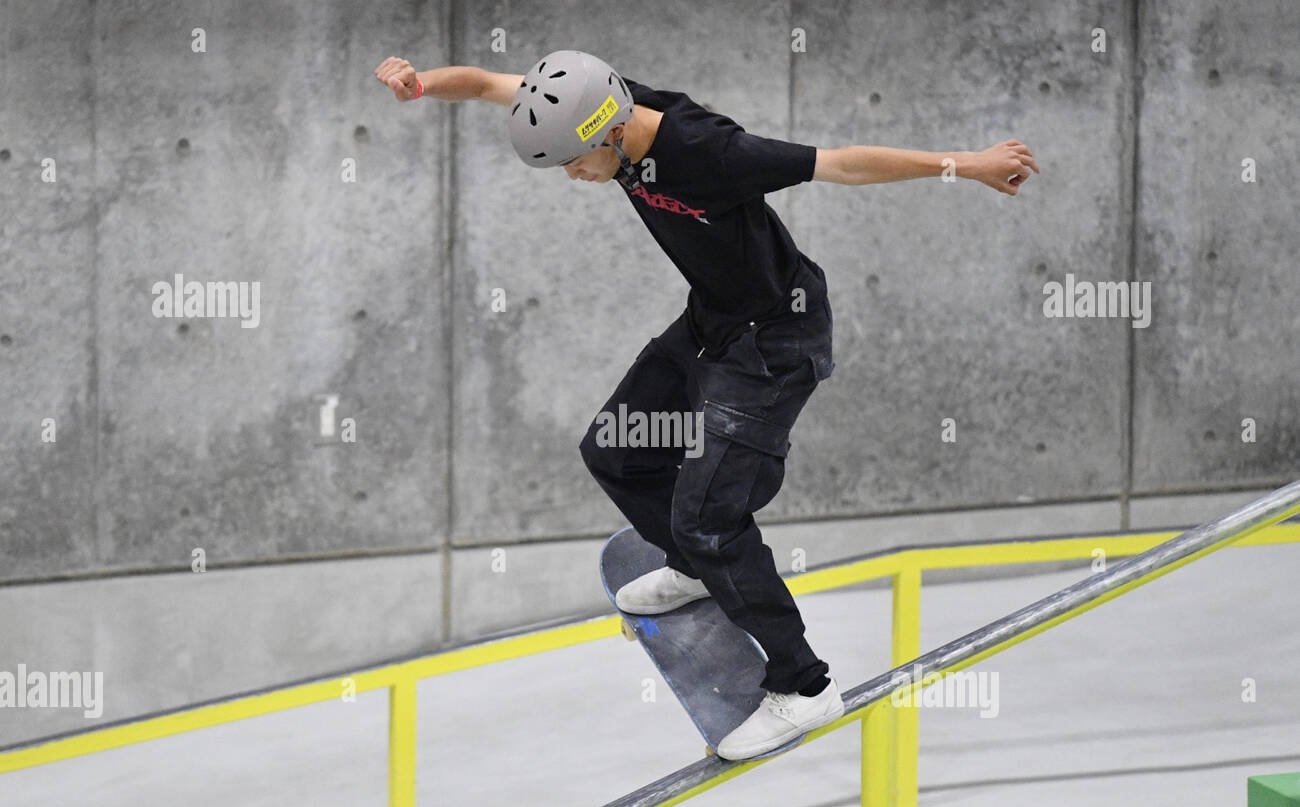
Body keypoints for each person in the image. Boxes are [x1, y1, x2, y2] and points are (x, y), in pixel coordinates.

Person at [375, 50, 1038, 760]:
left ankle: (803, 685)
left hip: (776, 341)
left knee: (709, 516)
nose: (573, 177)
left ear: (609, 133)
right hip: (714, 322)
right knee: (616, 451)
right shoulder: (596, 101)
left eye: (574, 162)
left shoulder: (710, 153)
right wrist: (422, 85)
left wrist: (966, 163)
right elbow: (485, 84)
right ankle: (692, 567)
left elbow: (844, 164)